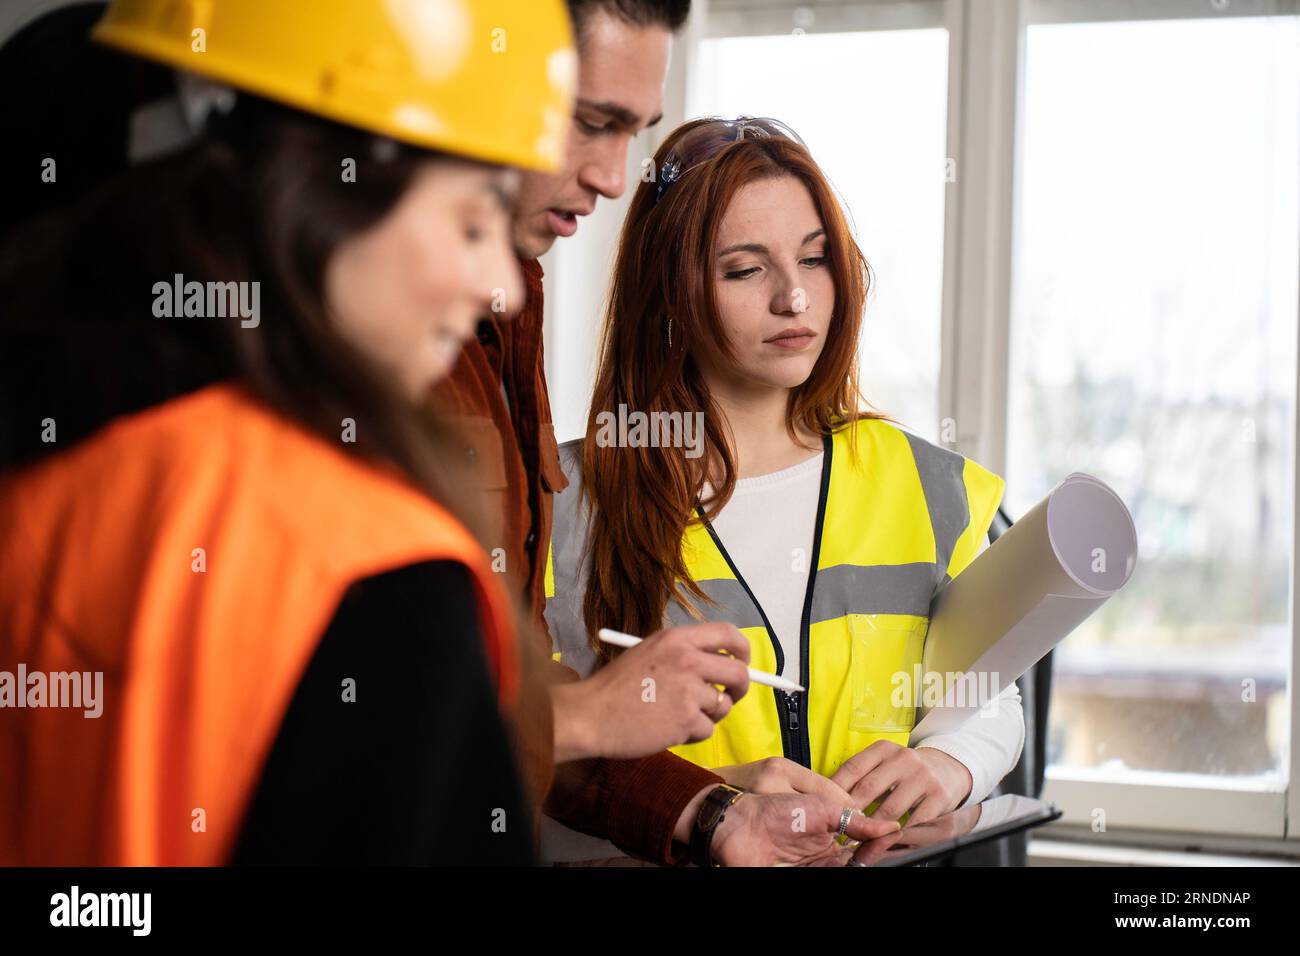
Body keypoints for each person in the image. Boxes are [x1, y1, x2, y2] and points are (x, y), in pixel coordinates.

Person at [0, 0, 585, 866]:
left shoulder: (53, 472)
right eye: (475, 217)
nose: (502, 283)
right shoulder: (374, 566)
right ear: (324, 188)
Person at [434, 0, 899, 866]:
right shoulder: (344, 332)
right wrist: (588, 713)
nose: (615, 177)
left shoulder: (510, 311)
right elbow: (357, 697)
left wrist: (714, 812)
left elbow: (506, 693)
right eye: (590, 123)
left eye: (633, 132)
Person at [545, 117, 1027, 849]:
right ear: (669, 295)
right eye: (745, 270)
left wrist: (949, 764)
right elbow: (521, 743)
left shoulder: (927, 484)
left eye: (815, 259)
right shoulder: (566, 496)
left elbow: (987, 694)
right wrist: (704, 805)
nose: (795, 299)